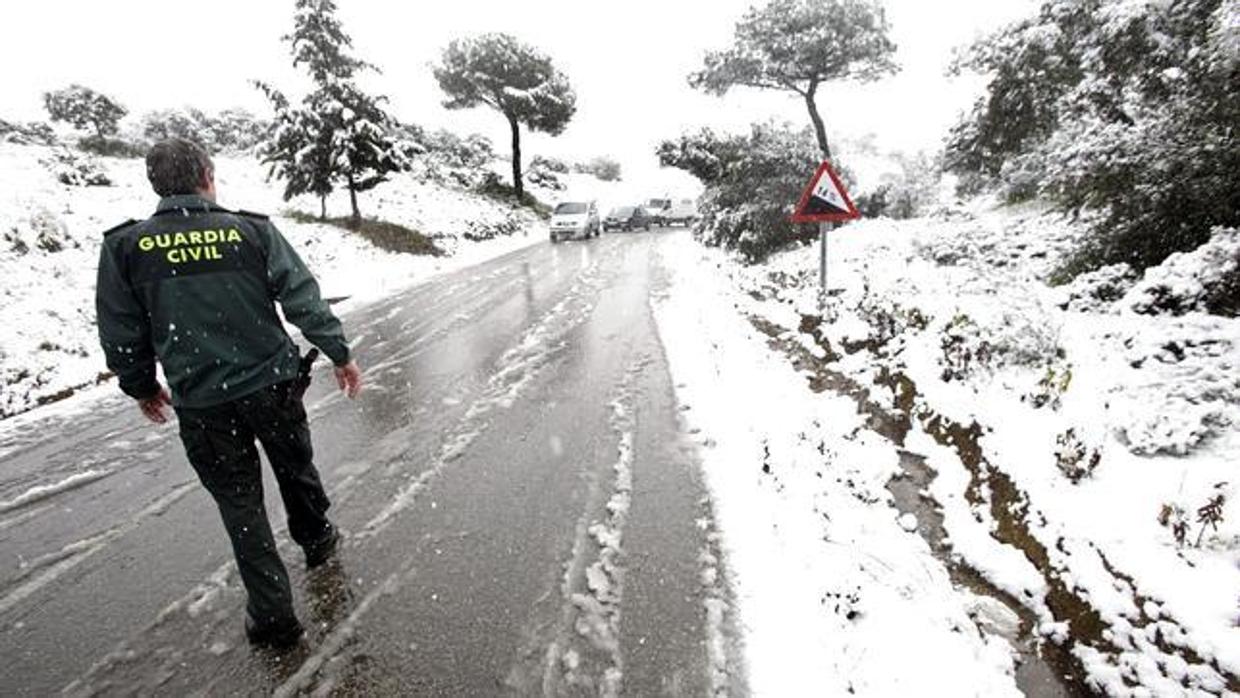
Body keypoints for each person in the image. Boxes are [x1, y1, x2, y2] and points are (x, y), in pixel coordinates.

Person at [95, 138, 363, 648]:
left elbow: (120, 327)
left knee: (240, 506)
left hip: (203, 403)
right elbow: (302, 298)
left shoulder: (126, 248)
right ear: (207, 176)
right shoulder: (250, 231)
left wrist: (141, 385)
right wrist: (339, 353)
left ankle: (273, 615)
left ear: (157, 183)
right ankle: (317, 539)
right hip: (273, 386)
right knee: (294, 466)